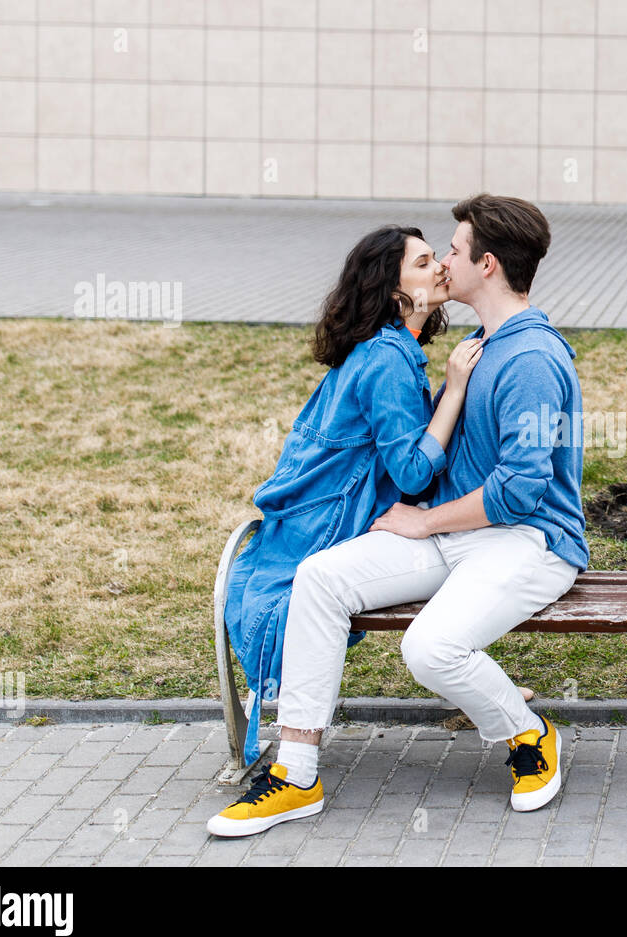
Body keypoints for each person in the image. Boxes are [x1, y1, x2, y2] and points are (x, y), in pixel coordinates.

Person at [208, 194, 587, 837]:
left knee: (431, 648)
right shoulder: (479, 342)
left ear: (486, 265)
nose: (444, 260)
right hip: (452, 532)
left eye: (454, 251)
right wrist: (427, 516)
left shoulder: (530, 359)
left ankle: (528, 734)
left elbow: (522, 490)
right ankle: (296, 772)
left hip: (527, 540)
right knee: (320, 578)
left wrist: (424, 520)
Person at [218, 225, 481, 784]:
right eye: (424, 262)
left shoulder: (387, 349)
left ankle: (469, 679)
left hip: (320, 515)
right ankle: (468, 680)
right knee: (460, 550)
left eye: (439, 257)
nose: (439, 268)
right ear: (394, 289)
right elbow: (409, 470)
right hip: (328, 526)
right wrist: (455, 390)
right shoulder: (387, 358)